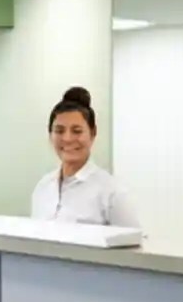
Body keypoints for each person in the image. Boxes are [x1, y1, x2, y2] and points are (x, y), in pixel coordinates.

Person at [30, 87, 140, 228]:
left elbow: (133, 246)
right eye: (59, 131)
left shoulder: (112, 192)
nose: (67, 138)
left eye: (77, 131)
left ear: (93, 133)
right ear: (50, 135)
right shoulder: (43, 187)